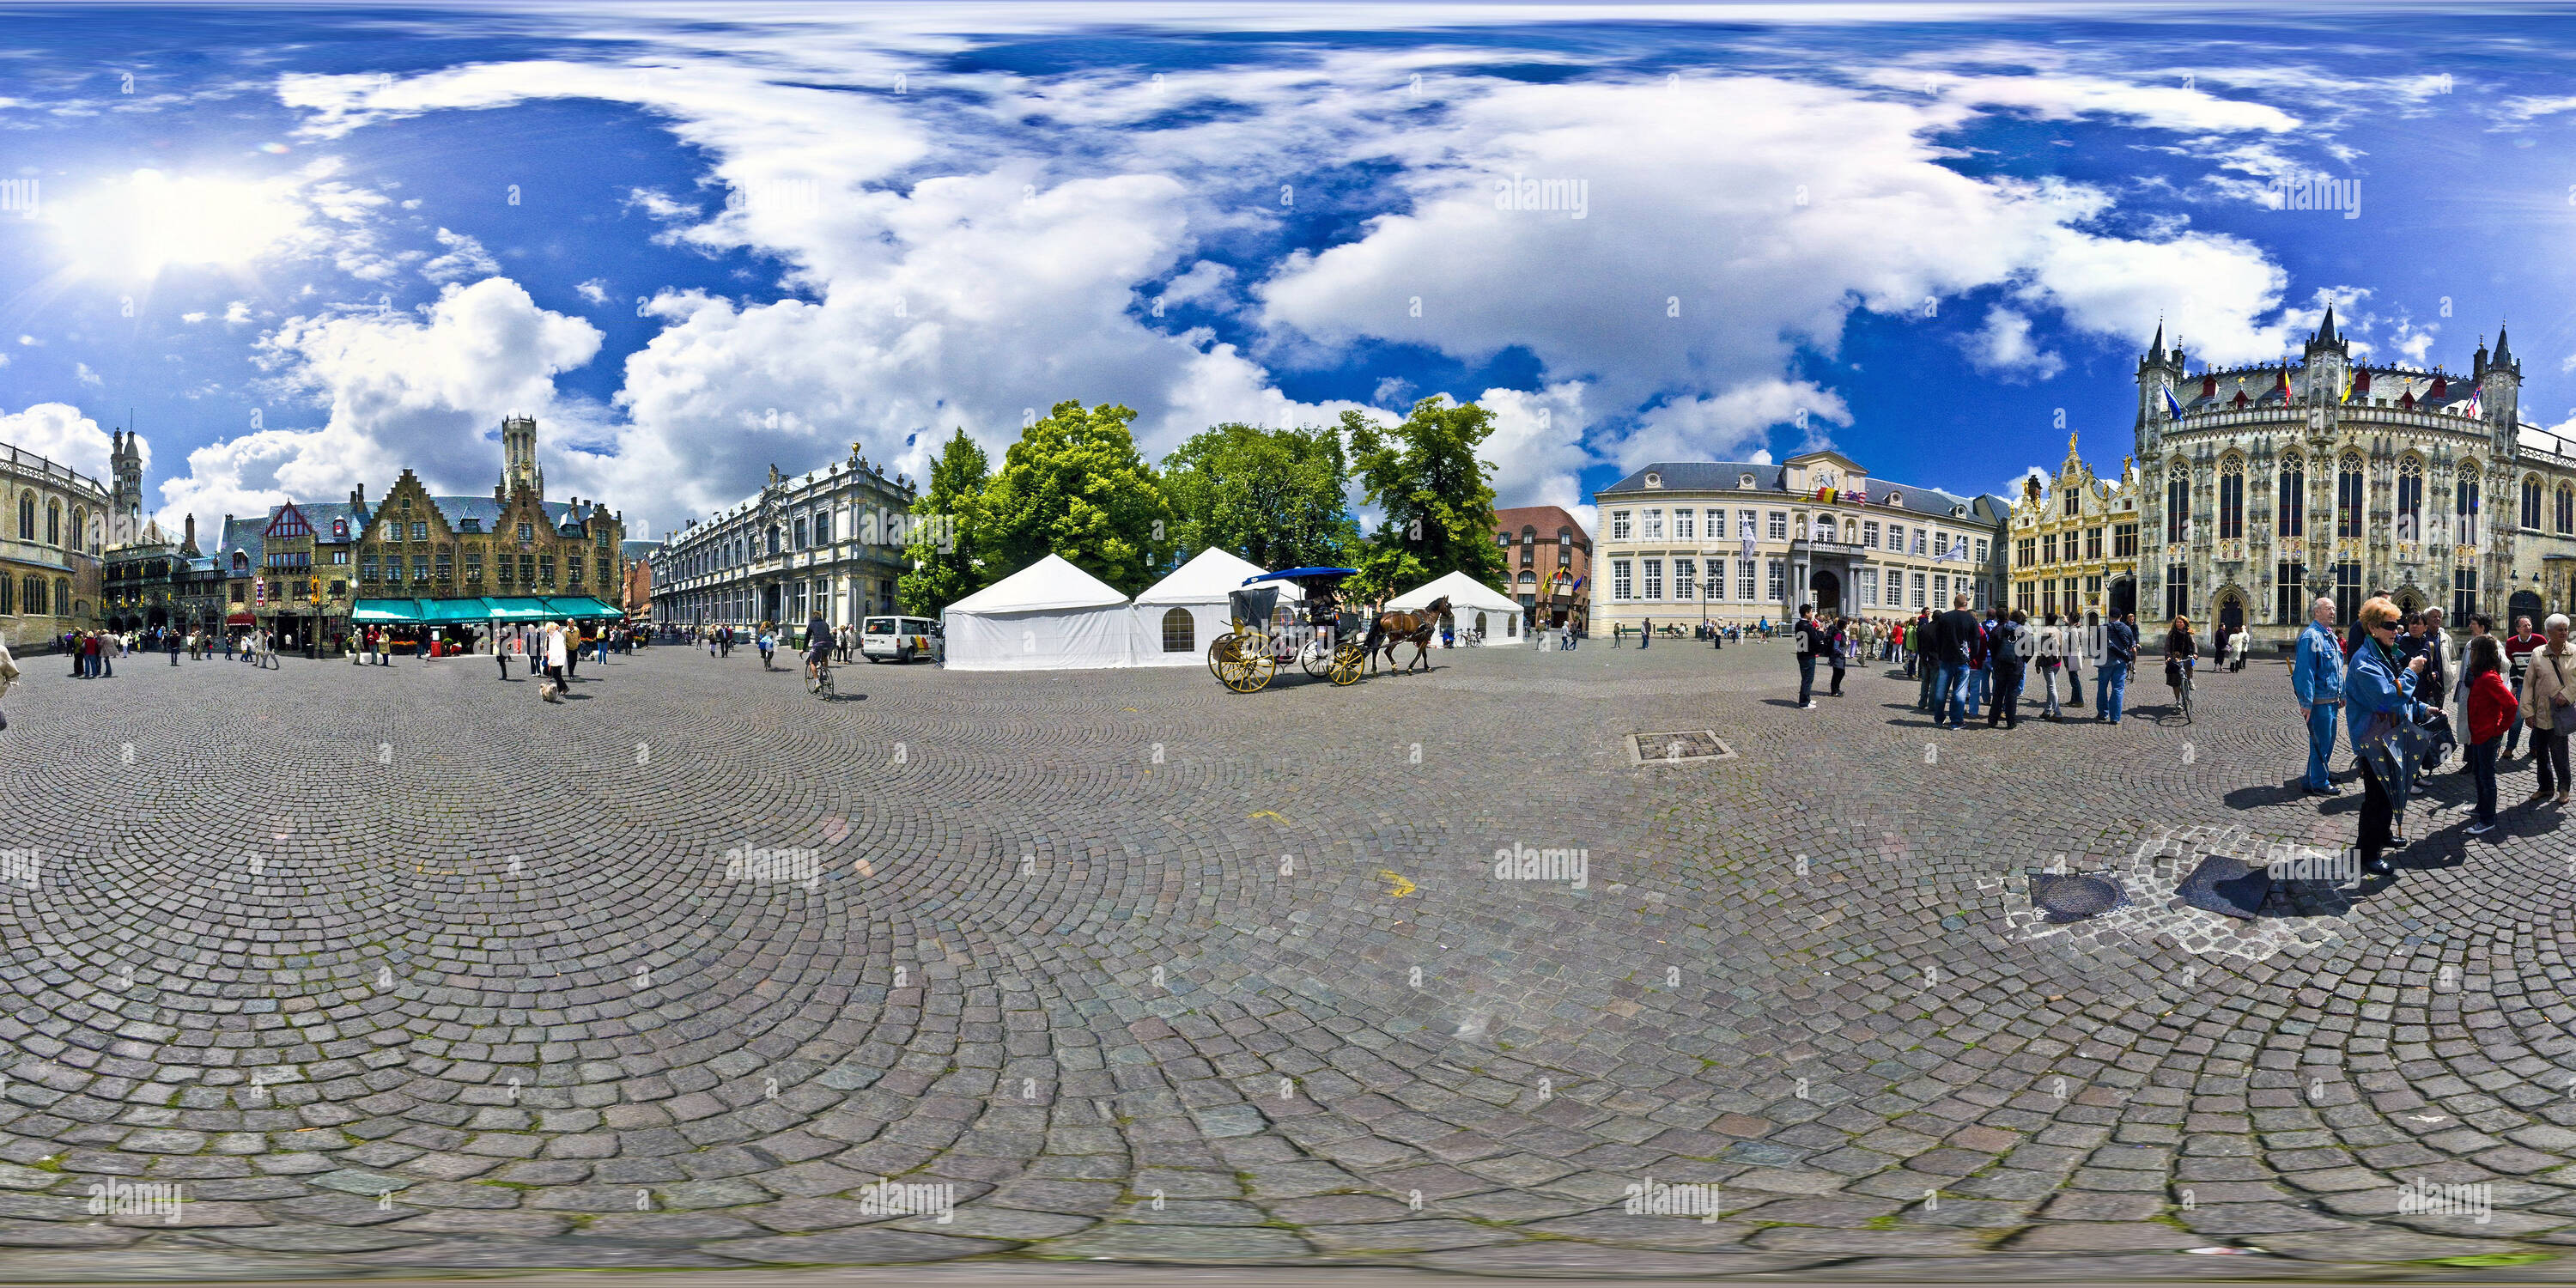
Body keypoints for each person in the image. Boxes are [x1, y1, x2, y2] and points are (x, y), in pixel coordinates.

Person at [2346, 597, 2432, 877]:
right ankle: (2366, 854)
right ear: (2372, 627)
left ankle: (2382, 835)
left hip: (2392, 735)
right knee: (2377, 799)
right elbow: (2385, 699)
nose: (2396, 631)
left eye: (2397, 625)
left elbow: (2401, 698)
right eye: (2389, 626)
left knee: (2389, 792)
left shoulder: (2385, 653)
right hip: (2375, 741)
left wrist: (2421, 707)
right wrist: (2411, 673)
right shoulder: (2363, 662)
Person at [2291, 598, 2346, 797]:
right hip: (2319, 701)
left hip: (2331, 698)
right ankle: (2319, 782)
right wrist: (2306, 703)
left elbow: (2338, 669)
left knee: (2326, 741)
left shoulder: (2328, 635)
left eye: (2333, 608)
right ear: (2316, 613)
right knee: (2321, 742)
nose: (2332, 612)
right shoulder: (2311, 637)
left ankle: (2312, 777)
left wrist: (2342, 692)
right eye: (2328, 609)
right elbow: (2305, 672)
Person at [2523, 613, 2576, 810]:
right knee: (2541, 753)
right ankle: (2545, 786)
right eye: (2560, 629)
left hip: (2560, 712)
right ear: (2549, 632)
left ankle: (2564, 788)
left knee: (2560, 752)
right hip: (2541, 711)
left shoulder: (2574, 651)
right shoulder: (2538, 653)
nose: (2564, 632)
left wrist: (2568, 695)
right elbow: (2528, 683)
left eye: (2565, 628)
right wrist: (2527, 711)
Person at [2464, 635, 2513, 835]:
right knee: (2478, 773)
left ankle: (2488, 819)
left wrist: (2499, 729)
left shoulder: (2490, 678)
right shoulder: (2482, 674)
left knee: (2487, 777)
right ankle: (2481, 808)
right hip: (2478, 734)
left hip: (2487, 735)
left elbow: (2511, 704)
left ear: (2480, 654)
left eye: (2472, 651)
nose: (2470, 655)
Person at [1931, 593, 1978, 730]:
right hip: (1962, 660)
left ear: (1954, 603)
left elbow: (1937, 638)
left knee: (1941, 691)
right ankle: (1956, 721)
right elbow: (1975, 641)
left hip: (1946, 659)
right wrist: (1972, 656)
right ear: (1966, 604)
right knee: (1959, 692)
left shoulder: (1944, 618)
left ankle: (1939, 719)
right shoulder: (1971, 619)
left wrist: (1940, 653)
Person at [2506, 615, 2543, 760]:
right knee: (2517, 717)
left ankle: (2534, 746)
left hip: (2539, 685)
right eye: (2524, 626)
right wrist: (2514, 686)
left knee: (2539, 717)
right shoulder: (2511, 643)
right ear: (2517, 629)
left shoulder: (2540, 641)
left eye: (2529, 625)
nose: (2528, 628)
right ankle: (2510, 746)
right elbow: (2512, 667)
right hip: (2522, 685)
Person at [1987, 609, 2029, 729]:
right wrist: (2022, 661)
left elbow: (1991, 645)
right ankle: (2011, 722)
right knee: (2012, 694)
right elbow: (2029, 651)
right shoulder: (2023, 632)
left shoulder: (2000, 629)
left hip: (2000, 665)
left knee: (1998, 693)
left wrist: (1996, 658)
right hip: (2015, 667)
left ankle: (1992, 720)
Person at [2100, 611, 2137, 724]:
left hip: (2104, 662)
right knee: (2118, 689)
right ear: (2121, 616)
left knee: (2102, 688)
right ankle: (2115, 717)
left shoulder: (2102, 628)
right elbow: (2131, 645)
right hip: (2120, 663)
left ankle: (2103, 713)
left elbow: (2095, 645)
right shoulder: (2127, 629)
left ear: (2109, 616)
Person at [2033, 613, 2066, 720]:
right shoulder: (2059, 631)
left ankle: (2057, 713)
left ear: (2047, 621)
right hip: (2057, 662)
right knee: (2050, 687)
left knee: (2052, 687)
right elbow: (2061, 648)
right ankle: (2047, 711)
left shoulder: (2045, 632)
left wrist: (2037, 664)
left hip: (2048, 663)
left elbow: (2042, 650)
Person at [2164, 614, 2197, 719]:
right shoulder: (2172, 633)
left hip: (2186, 654)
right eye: (2177, 622)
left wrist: (2195, 653)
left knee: (2188, 666)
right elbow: (2167, 646)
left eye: (2181, 622)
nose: (2179, 624)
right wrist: (2168, 656)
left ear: (2184, 623)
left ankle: (2190, 679)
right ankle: (2178, 700)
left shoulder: (2188, 633)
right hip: (2175, 656)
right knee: (2175, 680)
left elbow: (2194, 644)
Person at [1792, 605, 1824, 708]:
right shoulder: (1807, 626)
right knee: (1808, 679)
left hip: (1801, 653)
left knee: (1806, 678)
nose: (1812, 614)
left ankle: (1807, 698)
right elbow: (1816, 640)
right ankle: (1804, 703)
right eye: (1811, 612)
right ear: (1806, 613)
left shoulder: (1799, 624)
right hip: (1808, 655)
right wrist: (1820, 632)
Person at [1828, 616, 1850, 696]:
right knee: (1838, 673)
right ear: (1843, 625)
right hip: (1837, 656)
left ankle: (1837, 688)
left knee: (1841, 673)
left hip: (1840, 656)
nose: (1847, 625)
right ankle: (1834, 691)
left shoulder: (1841, 632)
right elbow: (1836, 647)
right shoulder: (1838, 634)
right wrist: (1842, 652)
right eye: (1846, 624)